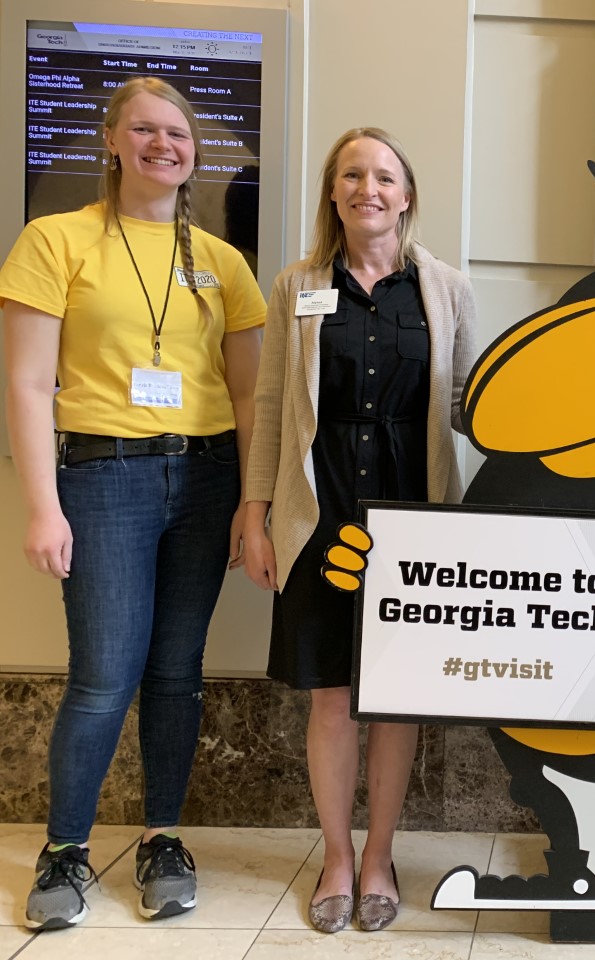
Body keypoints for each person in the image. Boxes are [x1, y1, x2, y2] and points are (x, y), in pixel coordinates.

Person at [0, 76, 265, 929]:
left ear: (195, 152)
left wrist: (250, 503)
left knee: (176, 676)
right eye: (145, 130)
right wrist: (43, 504)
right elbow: (28, 381)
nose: (164, 145)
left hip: (205, 478)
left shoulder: (224, 262)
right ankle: (66, 851)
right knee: (103, 677)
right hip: (102, 480)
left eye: (179, 134)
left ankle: (161, 839)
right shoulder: (56, 239)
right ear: (112, 140)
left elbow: (254, 396)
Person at [242, 127, 477, 933]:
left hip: (416, 527)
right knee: (334, 699)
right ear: (332, 193)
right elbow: (272, 407)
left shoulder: (446, 287)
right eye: (352, 175)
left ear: (406, 195)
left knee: (398, 700)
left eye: (384, 176)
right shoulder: (297, 284)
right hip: (322, 519)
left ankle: (380, 855)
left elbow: (469, 407)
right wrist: (255, 513)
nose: (367, 188)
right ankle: (337, 856)